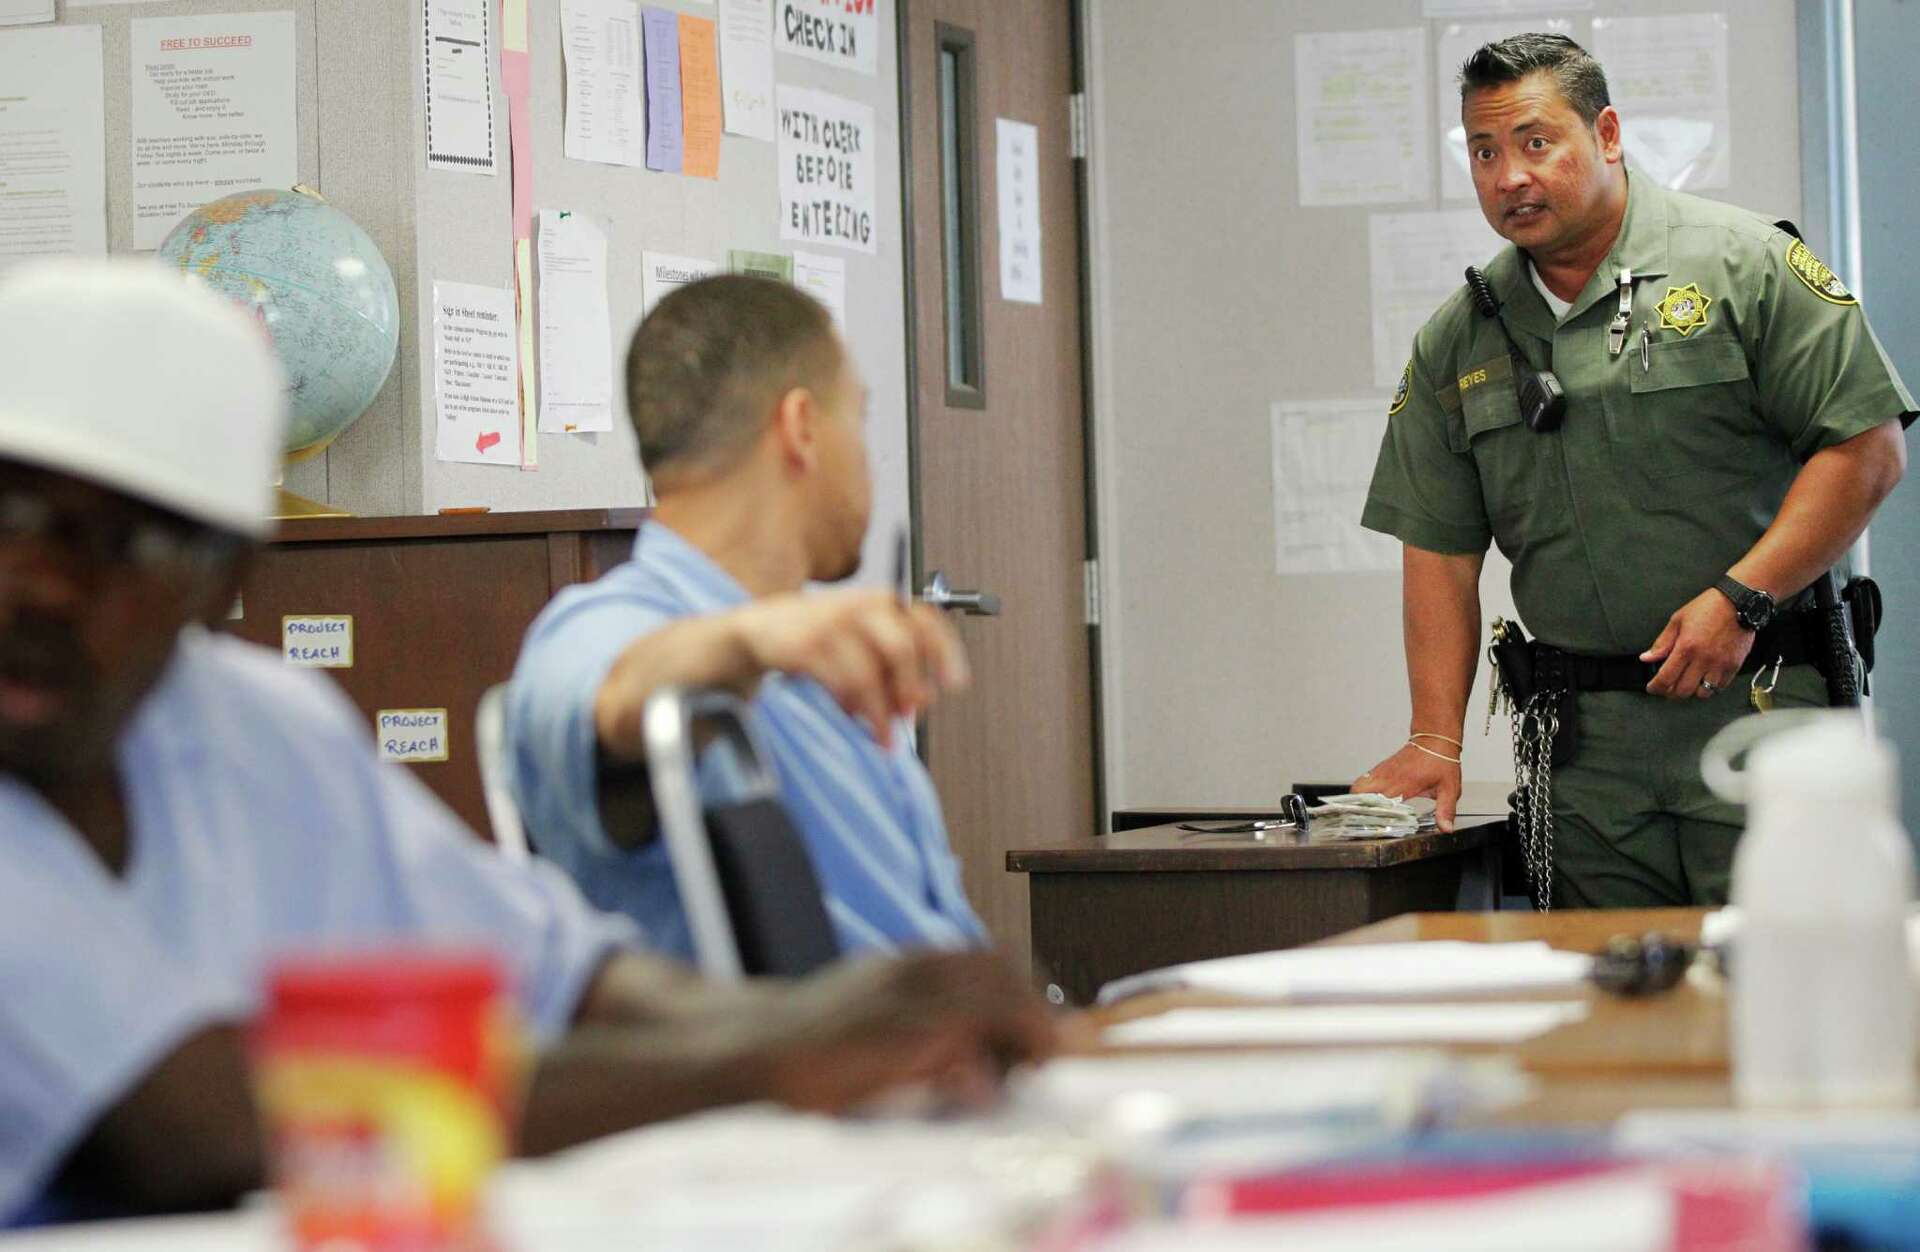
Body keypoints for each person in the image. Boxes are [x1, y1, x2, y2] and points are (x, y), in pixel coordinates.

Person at [0, 259, 1054, 1226]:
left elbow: (559, 970)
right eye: (10, 515)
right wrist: (785, 1047)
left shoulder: (260, 730)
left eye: (121, 541)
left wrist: (842, 1021)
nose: (36, 584)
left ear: (222, 581)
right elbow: (208, 1132)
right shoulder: (639, 633)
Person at [1356, 33, 1911, 908]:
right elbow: (1439, 546)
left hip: (1761, 707)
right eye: (1485, 152)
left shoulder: (1746, 265)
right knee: (1610, 1007)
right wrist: (1435, 738)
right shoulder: (1458, 339)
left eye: (1536, 142)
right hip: (1586, 753)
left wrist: (1743, 597)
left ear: (1607, 133)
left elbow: (1867, 449)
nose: (1509, 177)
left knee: (1791, 990)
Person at [506, 276, 985, 959]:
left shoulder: (818, 639)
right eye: (859, 418)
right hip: (852, 1058)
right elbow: (606, 695)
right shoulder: (608, 625)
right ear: (801, 428)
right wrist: (752, 637)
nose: (868, 464)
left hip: (977, 1036)